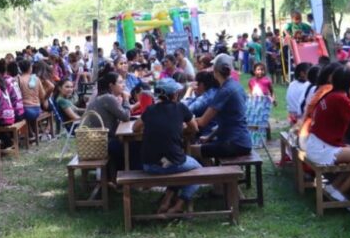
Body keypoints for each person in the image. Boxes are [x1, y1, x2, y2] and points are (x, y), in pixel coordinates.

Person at [133, 78, 201, 214]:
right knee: (198, 171)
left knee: (173, 165)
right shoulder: (180, 108)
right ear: (175, 94)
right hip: (172, 163)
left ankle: (167, 199)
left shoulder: (150, 109)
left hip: (149, 165)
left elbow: (135, 128)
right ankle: (179, 204)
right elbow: (195, 128)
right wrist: (178, 128)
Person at [304, 66, 350, 201]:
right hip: (323, 150)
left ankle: (334, 187)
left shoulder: (329, 94)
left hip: (315, 144)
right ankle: (339, 192)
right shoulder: (341, 99)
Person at [190, 54, 252, 159]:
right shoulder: (236, 85)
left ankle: (214, 175)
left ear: (215, 71)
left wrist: (187, 120)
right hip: (243, 140)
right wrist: (209, 137)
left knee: (191, 151)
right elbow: (227, 122)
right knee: (201, 148)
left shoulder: (224, 91)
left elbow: (202, 121)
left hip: (233, 143)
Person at [86, 72, 132, 170]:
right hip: (103, 142)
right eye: (120, 82)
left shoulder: (102, 97)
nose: (123, 85)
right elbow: (126, 116)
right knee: (133, 146)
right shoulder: (108, 98)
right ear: (111, 85)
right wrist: (126, 99)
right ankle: (125, 177)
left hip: (96, 140)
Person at [17, 59, 47, 140]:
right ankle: (33, 132)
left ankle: (28, 133)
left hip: (26, 110)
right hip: (37, 109)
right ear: (30, 68)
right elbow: (43, 95)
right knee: (29, 117)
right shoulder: (36, 79)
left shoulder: (19, 79)